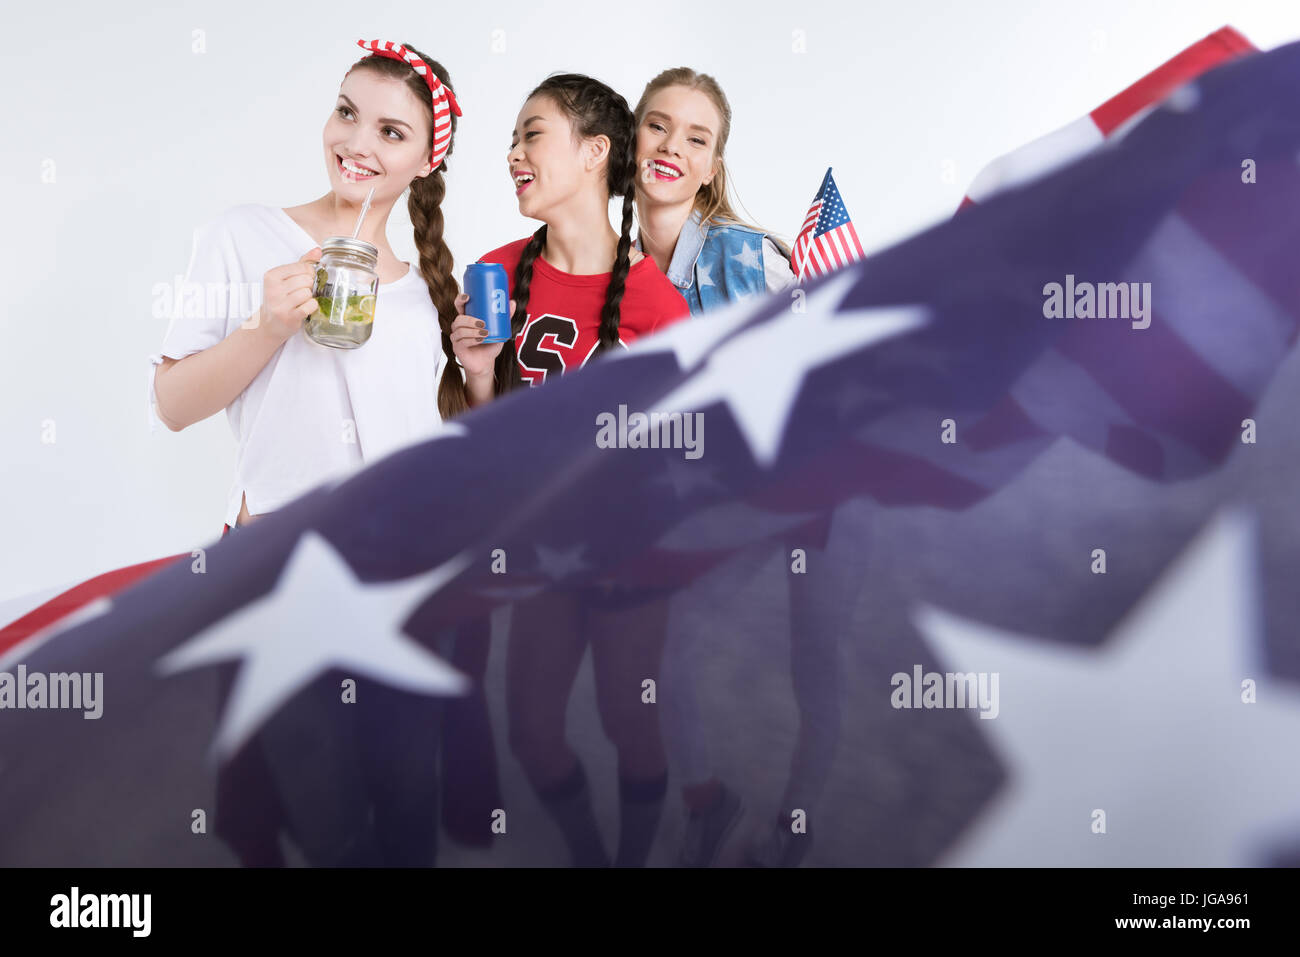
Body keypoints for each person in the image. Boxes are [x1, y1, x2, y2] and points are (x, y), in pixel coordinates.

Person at [150, 39, 475, 865]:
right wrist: (265, 327)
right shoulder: (241, 235)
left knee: (404, 808)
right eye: (347, 111)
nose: (358, 142)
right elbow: (171, 404)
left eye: (392, 132)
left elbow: (443, 450)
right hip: (276, 574)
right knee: (304, 814)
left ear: (424, 162)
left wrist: (475, 380)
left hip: (397, 581)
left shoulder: (432, 286)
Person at [448, 73, 689, 866]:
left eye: (531, 134)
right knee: (533, 735)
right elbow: (469, 450)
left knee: (630, 717)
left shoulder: (656, 307)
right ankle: (592, 853)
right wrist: (481, 376)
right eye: (513, 139)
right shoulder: (492, 269)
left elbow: (677, 463)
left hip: (627, 554)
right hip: (538, 555)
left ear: (594, 154)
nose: (513, 153)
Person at [631, 67, 867, 867]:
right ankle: (706, 810)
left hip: (820, 478)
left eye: (696, 138)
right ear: (629, 139)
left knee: (816, 655)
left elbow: (824, 366)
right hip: (728, 498)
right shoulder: (614, 271)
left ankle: (793, 836)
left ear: (712, 167)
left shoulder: (744, 257)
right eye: (657, 125)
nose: (671, 146)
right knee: (670, 645)